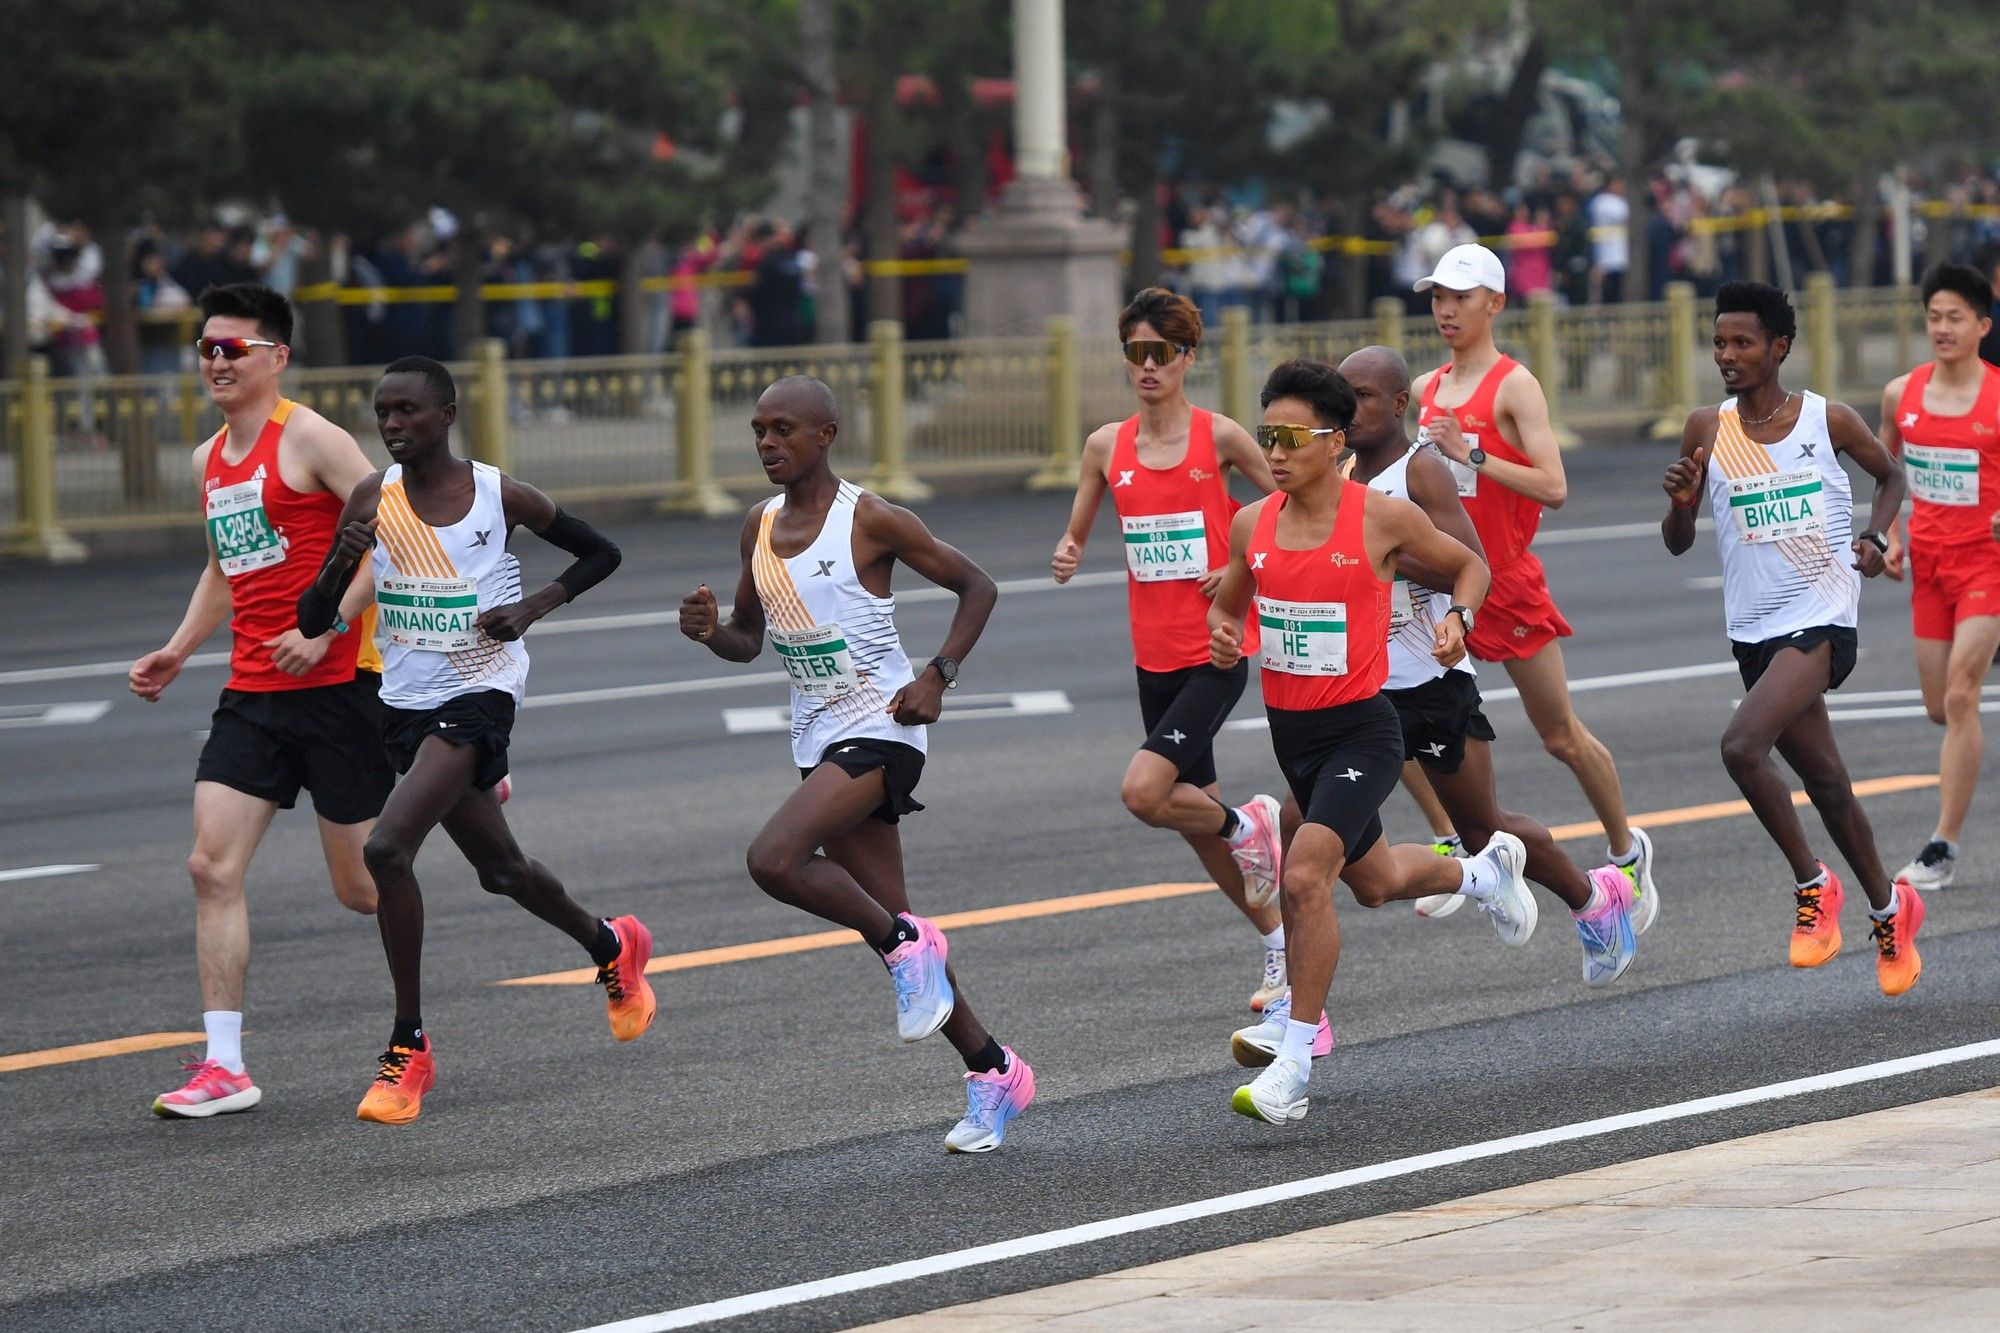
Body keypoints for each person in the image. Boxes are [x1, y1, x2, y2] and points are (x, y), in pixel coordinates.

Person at [679, 375, 1035, 1153]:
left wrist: (936, 675)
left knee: (773, 859)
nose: (768, 444)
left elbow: (979, 585)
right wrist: (710, 632)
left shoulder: (870, 519)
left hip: (884, 725)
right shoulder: (758, 526)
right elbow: (748, 636)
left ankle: (911, 946)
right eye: (758, 431)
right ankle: (993, 1067)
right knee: (893, 929)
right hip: (817, 735)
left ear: (825, 434)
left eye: (783, 430)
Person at [298, 356, 649, 1124]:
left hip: (481, 694)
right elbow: (313, 619)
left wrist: (533, 607)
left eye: (408, 411)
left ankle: (407, 1045)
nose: (392, 424)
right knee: (502, 870)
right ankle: (611, 943)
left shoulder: (498, 494)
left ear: (447, 413)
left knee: (387, 848)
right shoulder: (372, 497)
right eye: (382, 411)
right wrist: (339, 559)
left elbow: (601, 553)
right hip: (405, 704)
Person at [1210, 359, 1530, 1126]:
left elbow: (1468, 566)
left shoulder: (1377, 519)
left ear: (1333, 441)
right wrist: (1226, 636)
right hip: (1298, 740)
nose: (1276, 451)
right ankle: (1480, 877)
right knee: (1377, 881)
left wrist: (1457, 619)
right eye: (1267, 437)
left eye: (1291, 437)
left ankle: (1294, 1060)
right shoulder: (1252, 523)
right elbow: (1231, 604)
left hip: (1364, 728)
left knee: (1307, 874)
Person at [130, 283, 390, 1118]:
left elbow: (396, 537)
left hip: (339, 685)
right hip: (252, 692)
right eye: (206, 347)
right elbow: (225, 569)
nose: (215, 361)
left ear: (275, 357)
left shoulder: (311, 437)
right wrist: (178, 647)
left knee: (365, 889)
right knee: (211, 866)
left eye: (232, 348)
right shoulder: (211, 459)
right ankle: (225, 1064)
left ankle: (458, 786)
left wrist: (325, 629)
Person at [1337, 345, 1640, 985]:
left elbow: (1469, 561)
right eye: (1344, 395)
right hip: (1366, 690)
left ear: (1399, 405)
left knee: (1484, 829)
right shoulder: (1338, 475)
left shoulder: (1419, 472)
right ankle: (1291, 994)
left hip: (1433, 682)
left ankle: (1594, 898)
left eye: (1365, 395)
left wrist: (1419, 585)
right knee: (1309, 822)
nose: (1351, 408)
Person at [1661, 282, 1921, 996]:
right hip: (1755, 630)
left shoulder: (1824, 418)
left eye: (1742, 342)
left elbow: (1890, 474)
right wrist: (1680, 504)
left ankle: (1815, 887)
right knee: (1828, 783)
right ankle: (1891, 908)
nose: (1727, 355)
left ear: (1779, 347)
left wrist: (1874, 537)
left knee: (1742, 745)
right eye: (1719, 343)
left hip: (1823, 616)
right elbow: (1679, 543)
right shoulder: (1706, 429)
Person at [1051, 288, 1290, 1012]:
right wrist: (1067, 549)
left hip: (1214, 647)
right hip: (1150, 657)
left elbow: (1288, 498)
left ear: (1188, 358)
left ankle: (1251, 823)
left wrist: (1240, 565)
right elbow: (1080, 530)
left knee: (1145, 792)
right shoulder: (1105, 446)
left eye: (1162, 353)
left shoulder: (1217, 436)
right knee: (1197, 828)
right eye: (1136, 353)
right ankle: (1278, 944)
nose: (1147, 366)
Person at [1409, 243, 1657, 914]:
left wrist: (1473, 452)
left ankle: (1628, 854)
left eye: (1459, 297)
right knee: (1395, 715)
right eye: (1437, 297)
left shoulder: (1513, 385)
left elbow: (1554, 486)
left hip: (1507, 581)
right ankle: (1453, 846)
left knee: (1559, 735)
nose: (1445, 310)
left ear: (1495, 302)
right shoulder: (1424, 390)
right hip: (1442, 582)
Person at [1878, 264, 2000, 889]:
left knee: (1960, 696)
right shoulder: (1903, 394)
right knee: (1939, 707)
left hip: (1988, 563)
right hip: (1929, 566)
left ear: (1983, 325)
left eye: (1955, 317)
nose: (1943, 328)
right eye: (1934, 317)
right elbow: (1887, 471)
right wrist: (1891, 534)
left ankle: (1941, 846)